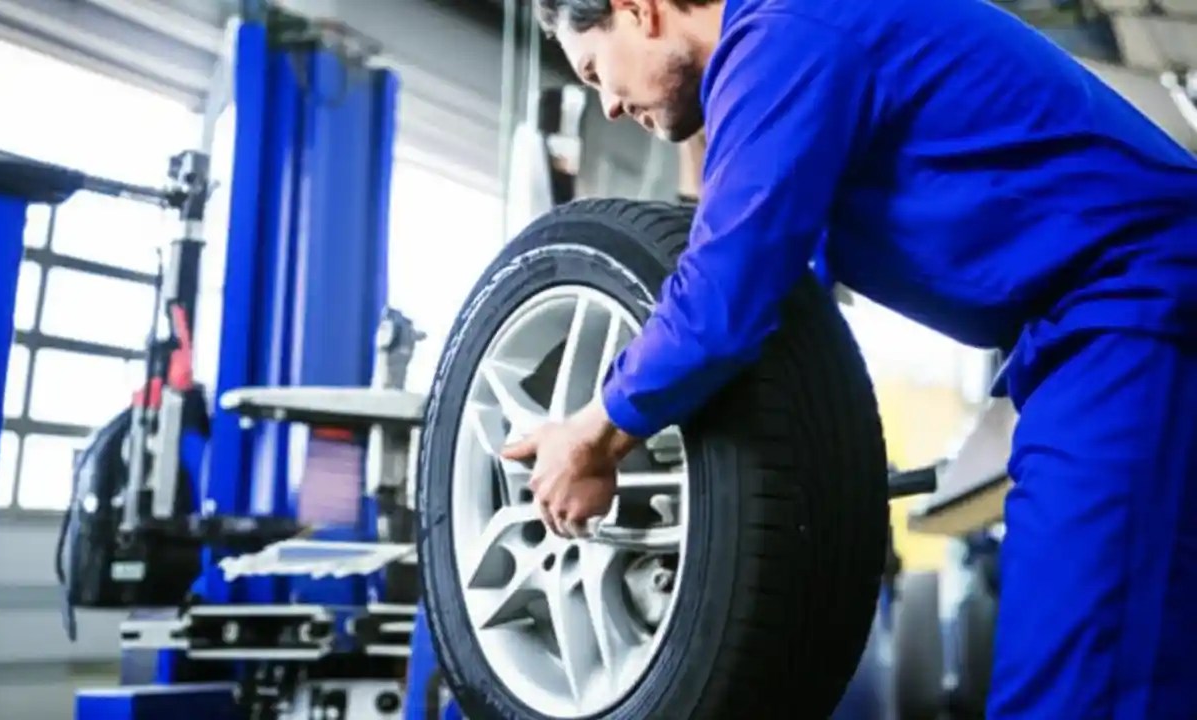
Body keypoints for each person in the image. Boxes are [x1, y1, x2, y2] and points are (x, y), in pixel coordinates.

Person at [498, 0, 1197, 717]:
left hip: (1138, 308)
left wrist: (592, 435)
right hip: (1093, 330)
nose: (608, 104)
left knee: (1082, 682)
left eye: (594, 72)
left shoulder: (786, 35)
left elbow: (721, 304)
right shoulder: (792, 60)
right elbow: (780, 320)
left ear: (637, 10)